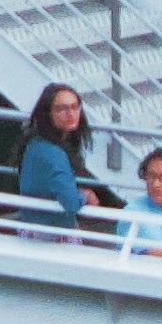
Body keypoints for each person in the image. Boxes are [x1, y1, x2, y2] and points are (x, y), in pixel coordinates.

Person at [13, 84, 113, 230]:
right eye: (62, 109)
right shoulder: (53, 154)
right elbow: (71, 203)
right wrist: (85, 196)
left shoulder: (35, 143)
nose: (71, 114)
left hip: (33, 227)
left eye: (74, 107)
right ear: (48, 113)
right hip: (51, 234)